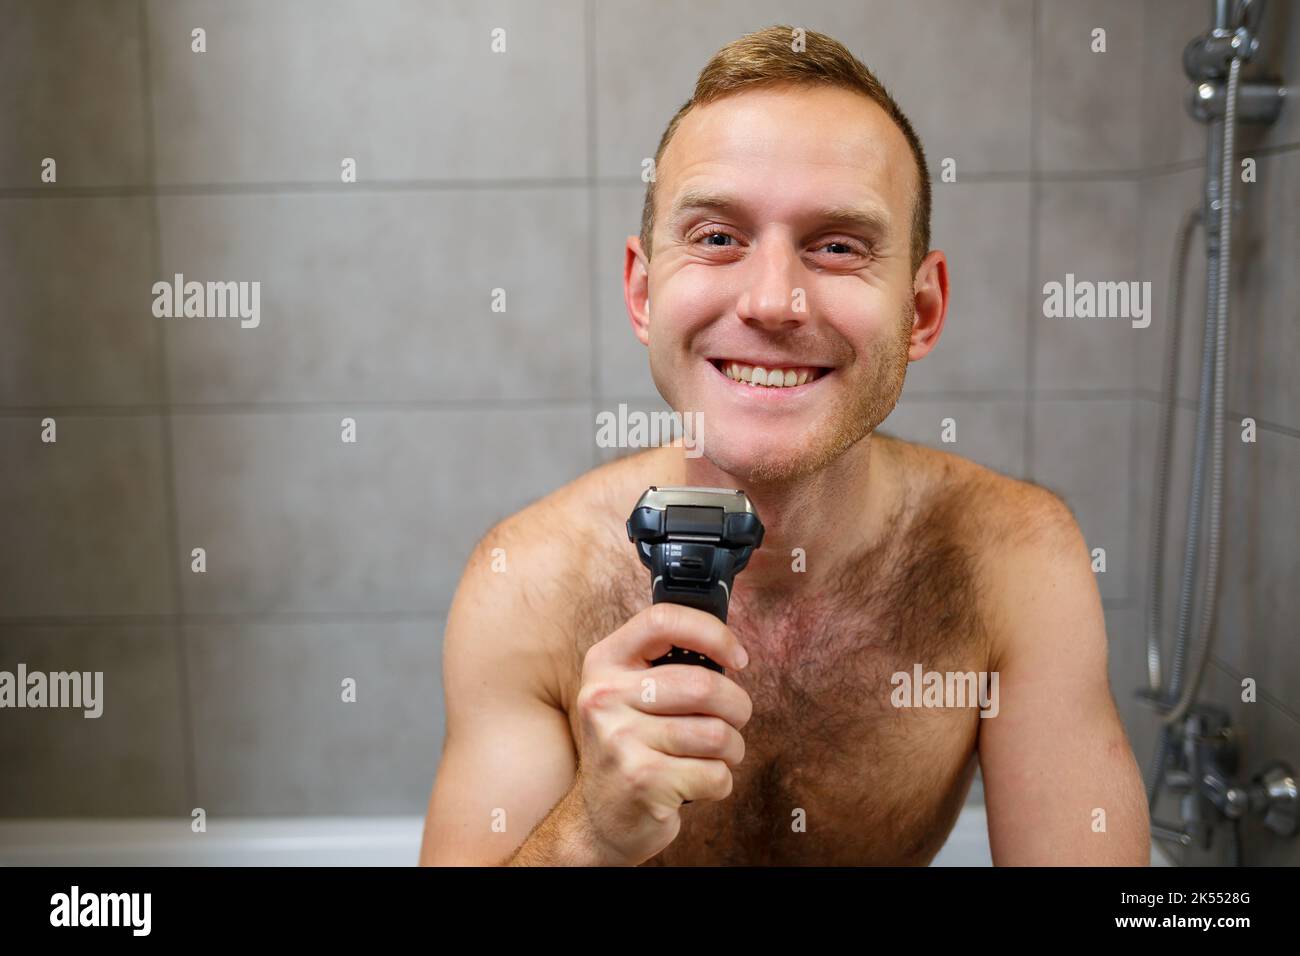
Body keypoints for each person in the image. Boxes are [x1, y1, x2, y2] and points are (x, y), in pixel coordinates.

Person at [419, 25, 1150, 866]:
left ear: (920, 312)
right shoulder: (528, 583)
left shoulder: (1017, 562)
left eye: (837, 246)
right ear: (644, 294)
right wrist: (591, 831)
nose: (772, 301)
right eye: (718, 237)